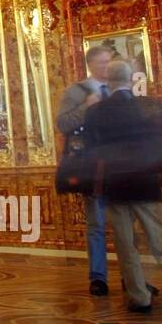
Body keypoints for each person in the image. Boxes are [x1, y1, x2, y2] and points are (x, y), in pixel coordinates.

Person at [84, 59, 162, 311]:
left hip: (115, 183)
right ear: (131, 78)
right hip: (145, 181)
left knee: (126, 245)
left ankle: (139, 297)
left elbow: (91, 151)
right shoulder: (149, 107)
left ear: (108, 81)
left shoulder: (96, 112)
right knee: (160, 241)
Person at [56, 44, 113, 296]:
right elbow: (63, 123)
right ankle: (98, 276)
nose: (105, 67)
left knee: (125, 224)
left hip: (119, 165)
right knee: (96, 223)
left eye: (108, 62)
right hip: (91, 165)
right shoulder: (76, 91)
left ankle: (131, 276)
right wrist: (85, 107)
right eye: (101, 63)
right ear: (91, 64)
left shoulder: (118, 89)